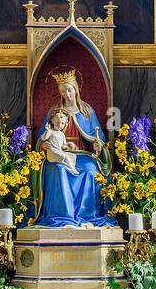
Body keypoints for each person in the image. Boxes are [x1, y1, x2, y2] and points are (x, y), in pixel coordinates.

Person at [31, 70, 117, 227]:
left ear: (76, 89)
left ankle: (87, 215)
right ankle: (61, 215)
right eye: (63, 91)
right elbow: (43, 136)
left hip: (82, 153)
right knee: (58, 170)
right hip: (59, 153)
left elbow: (98, 138)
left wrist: (98, 145)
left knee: (91, 170)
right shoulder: (54, 112)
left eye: (69, 89)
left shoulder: (86, 111)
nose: (67, 94)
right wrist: (42, 145)